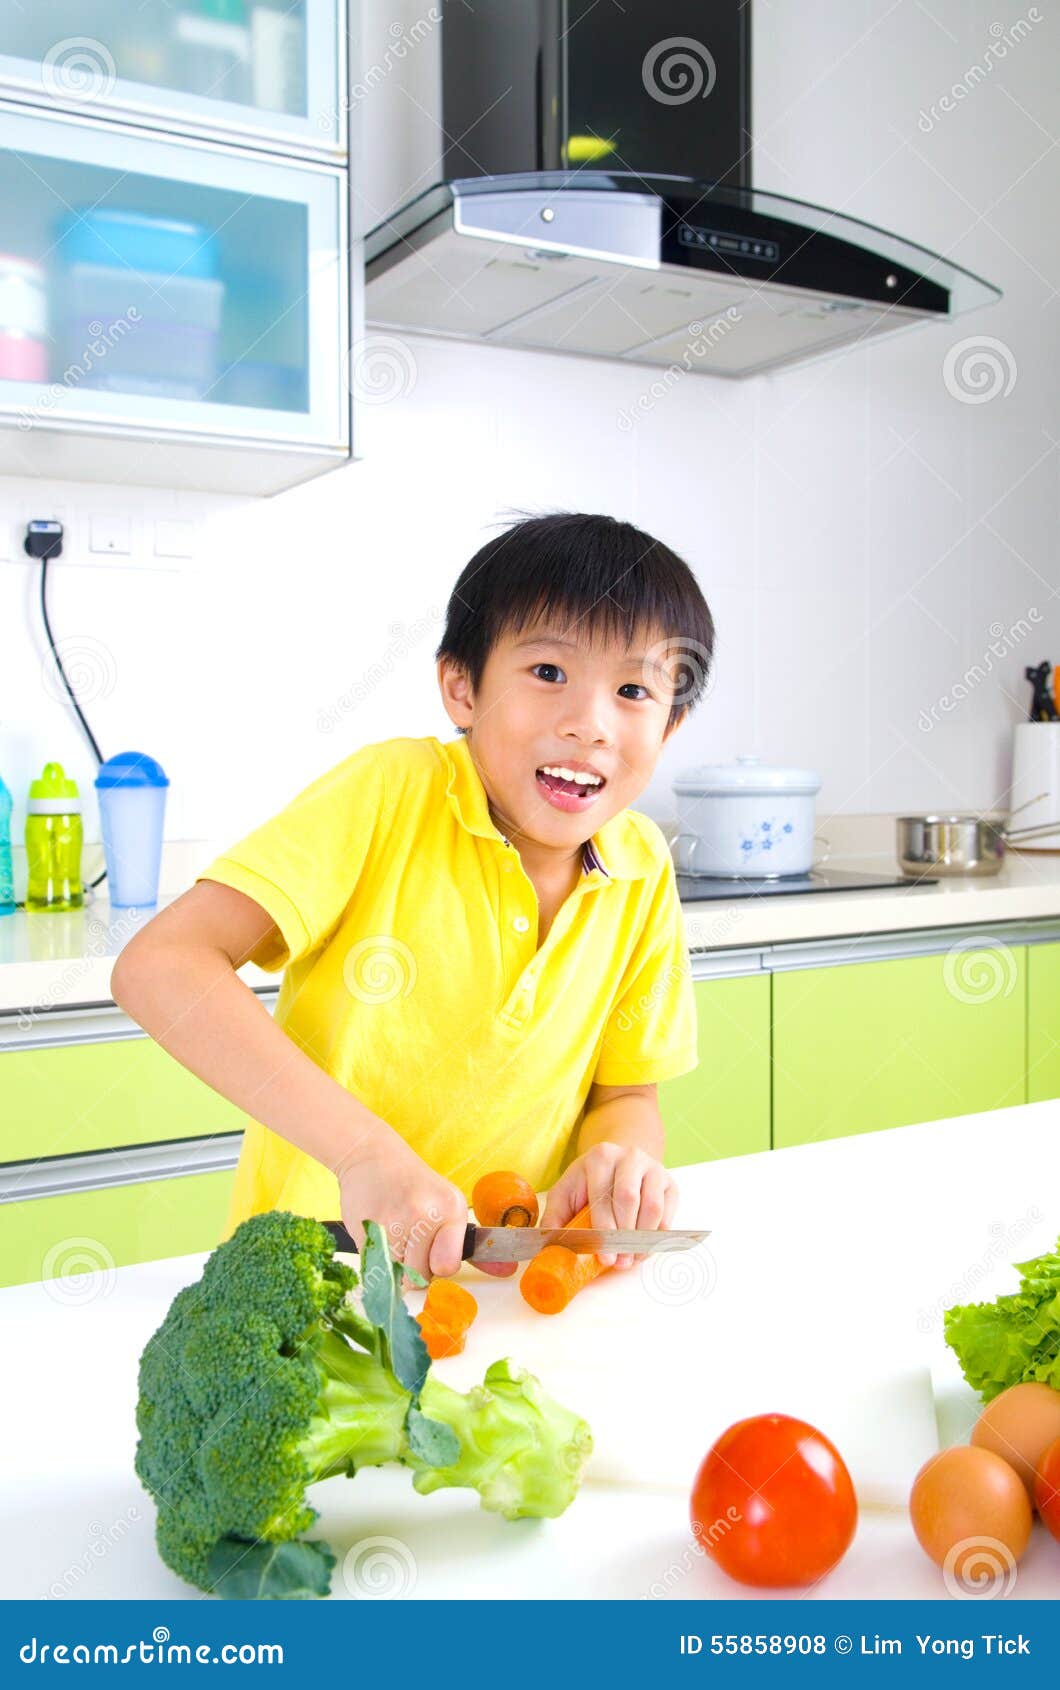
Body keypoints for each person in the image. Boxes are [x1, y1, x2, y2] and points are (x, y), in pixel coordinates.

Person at [111, 511, 715, 1284]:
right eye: (549, 673)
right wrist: (365, 1154)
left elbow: (627, 1089)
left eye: (633, 690)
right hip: (323, 1272)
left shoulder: (642, 867)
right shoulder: (390, 792)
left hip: (505, 1288)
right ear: (461, 687)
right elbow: (160, 965)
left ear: (670, 725)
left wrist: (622, 1156)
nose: (588, 725)